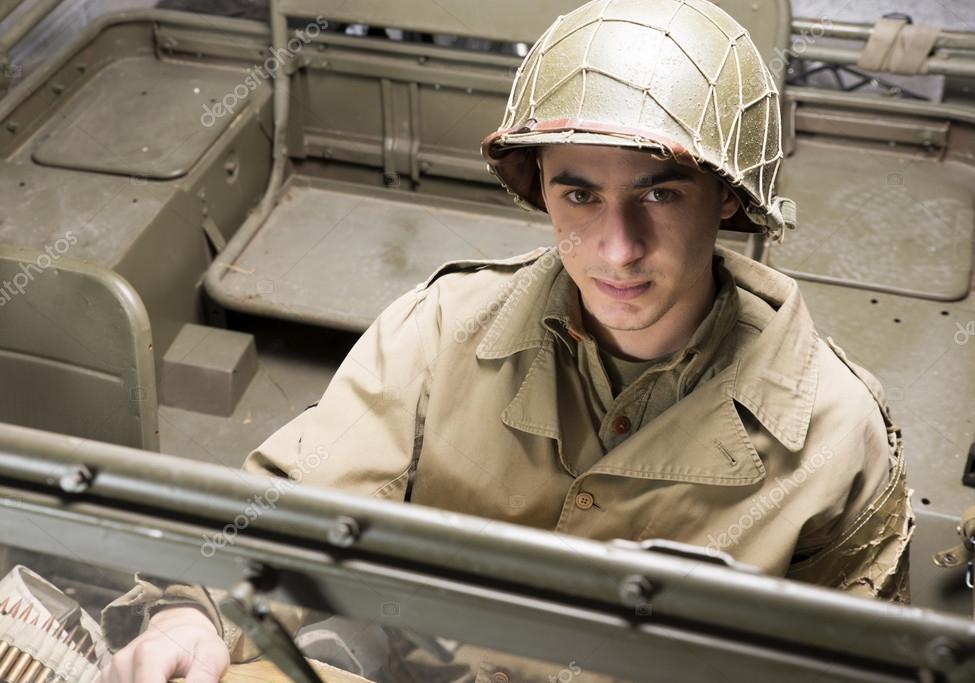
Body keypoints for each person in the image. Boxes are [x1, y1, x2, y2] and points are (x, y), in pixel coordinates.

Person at [101, 1, 913, 681]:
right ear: (541, 192)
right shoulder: (444, 328)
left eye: (659, 193)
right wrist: (189, 609)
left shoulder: (833, 433)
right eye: (579, 193)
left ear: (728, 202)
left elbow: (861, 660)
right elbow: (287, 507)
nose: (617, 246)